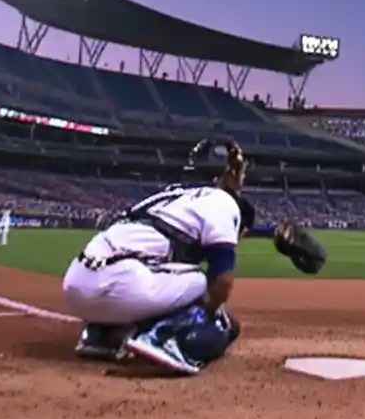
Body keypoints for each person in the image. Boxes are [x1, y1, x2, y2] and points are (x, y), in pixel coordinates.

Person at [61, 140, 255, 375]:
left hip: (75, 283)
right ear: (227, 173)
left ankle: (101, 334)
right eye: (238, 170)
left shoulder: (171, 194)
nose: (241, 177)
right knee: (203, 282)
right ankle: (162, 338)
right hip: (122, 284)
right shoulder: (222, 200)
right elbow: (222, 281)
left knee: (165, 269)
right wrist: (207, 312)